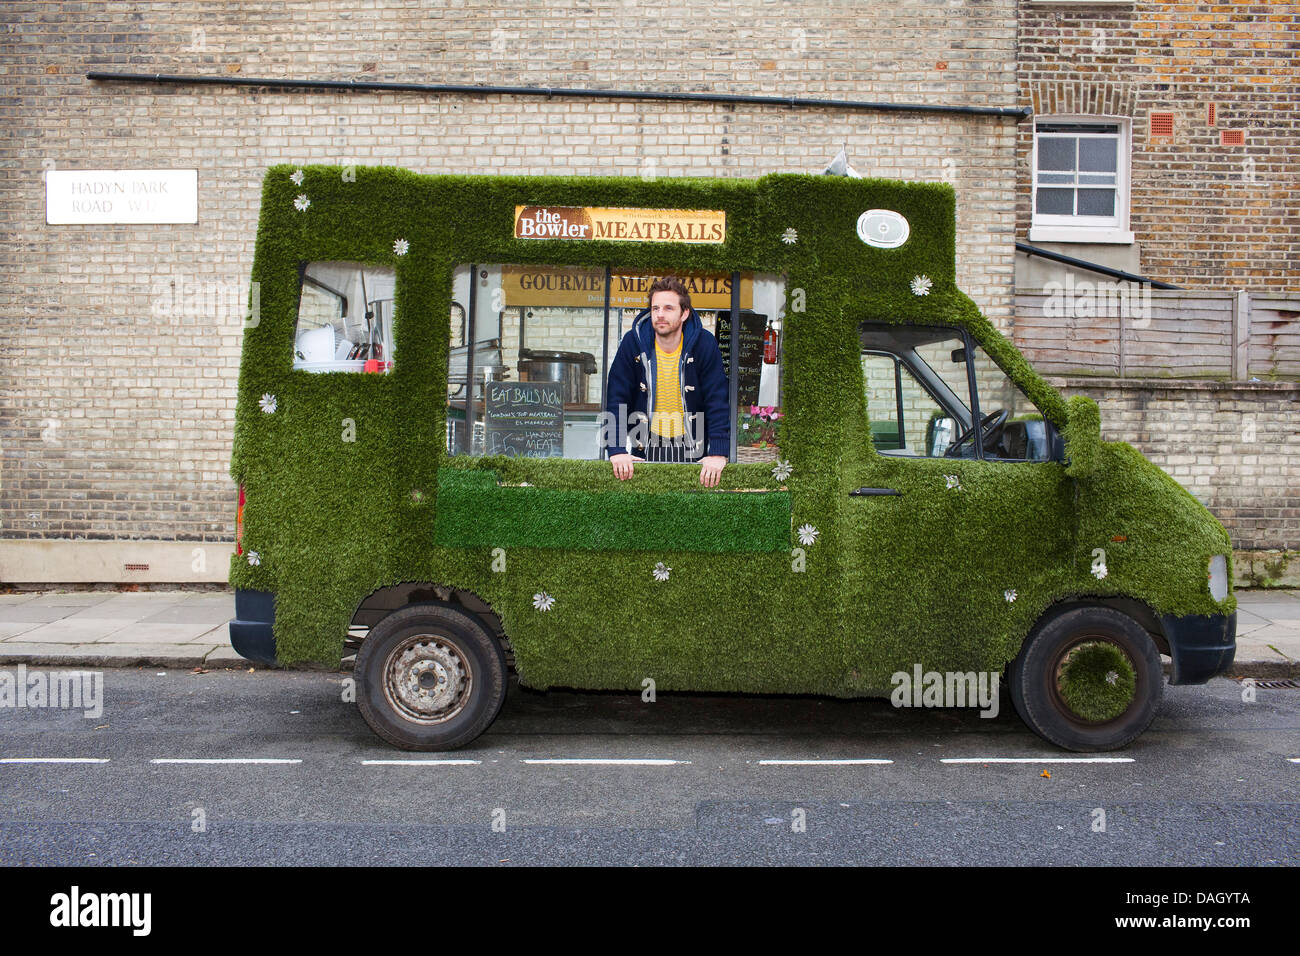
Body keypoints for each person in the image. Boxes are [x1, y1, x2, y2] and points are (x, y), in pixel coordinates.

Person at [604, 275, 730, 487]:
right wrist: (616, 449)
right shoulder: (633, 341)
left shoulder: (704, 343)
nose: (660, 315)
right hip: (645, 446)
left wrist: (718, 452)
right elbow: (617, 396)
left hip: (693, 446)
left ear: (684, 313)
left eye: (669, 308)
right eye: (655, 308)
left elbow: (717, 400)